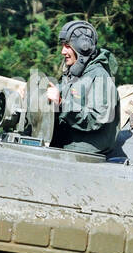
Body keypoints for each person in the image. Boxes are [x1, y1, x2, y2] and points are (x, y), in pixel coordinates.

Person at [46, 20, 120, 155]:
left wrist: (62, 104)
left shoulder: (100, 77)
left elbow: (97, 119)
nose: (63, 51)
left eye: (67, 46)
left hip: (86, 154)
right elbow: (57, 95)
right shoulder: (73, 75)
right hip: (65, 146)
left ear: (83, 47)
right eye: (63, 46)